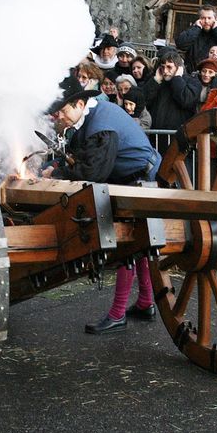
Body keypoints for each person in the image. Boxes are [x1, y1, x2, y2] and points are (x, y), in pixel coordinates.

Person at [44, 89, 161, 335]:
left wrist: (56, 175)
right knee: (141, 243)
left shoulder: (102, 126)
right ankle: (145, 302)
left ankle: (117, 315)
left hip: (138, 180)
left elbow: (93, 173)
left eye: (63, 111)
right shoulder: (92, 118)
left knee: (128, 244)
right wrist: (57, 165)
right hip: (132, 178)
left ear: (79, 104)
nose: (59, 117)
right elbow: (82, 156)